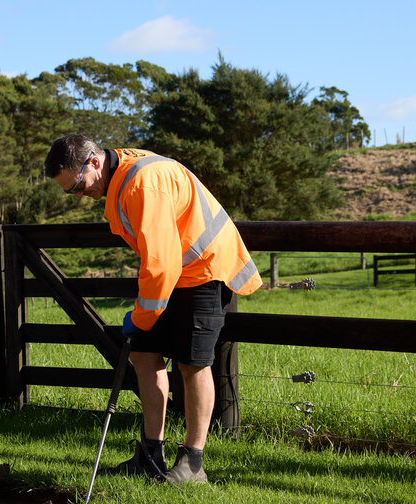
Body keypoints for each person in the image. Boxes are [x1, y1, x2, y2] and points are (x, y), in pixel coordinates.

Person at [44, 135, 262, 484]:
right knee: (144, 353)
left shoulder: (142, 183)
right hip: (175, 273)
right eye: (71, 192)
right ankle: (150, 455)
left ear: (94, 162)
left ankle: (193, 464)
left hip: (205, 270)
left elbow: (161, 263)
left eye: (78, 186)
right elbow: (159, 260)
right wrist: (143, 320)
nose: (79, 195)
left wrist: (141, 317)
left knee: (192, 364)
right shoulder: (120, 178)